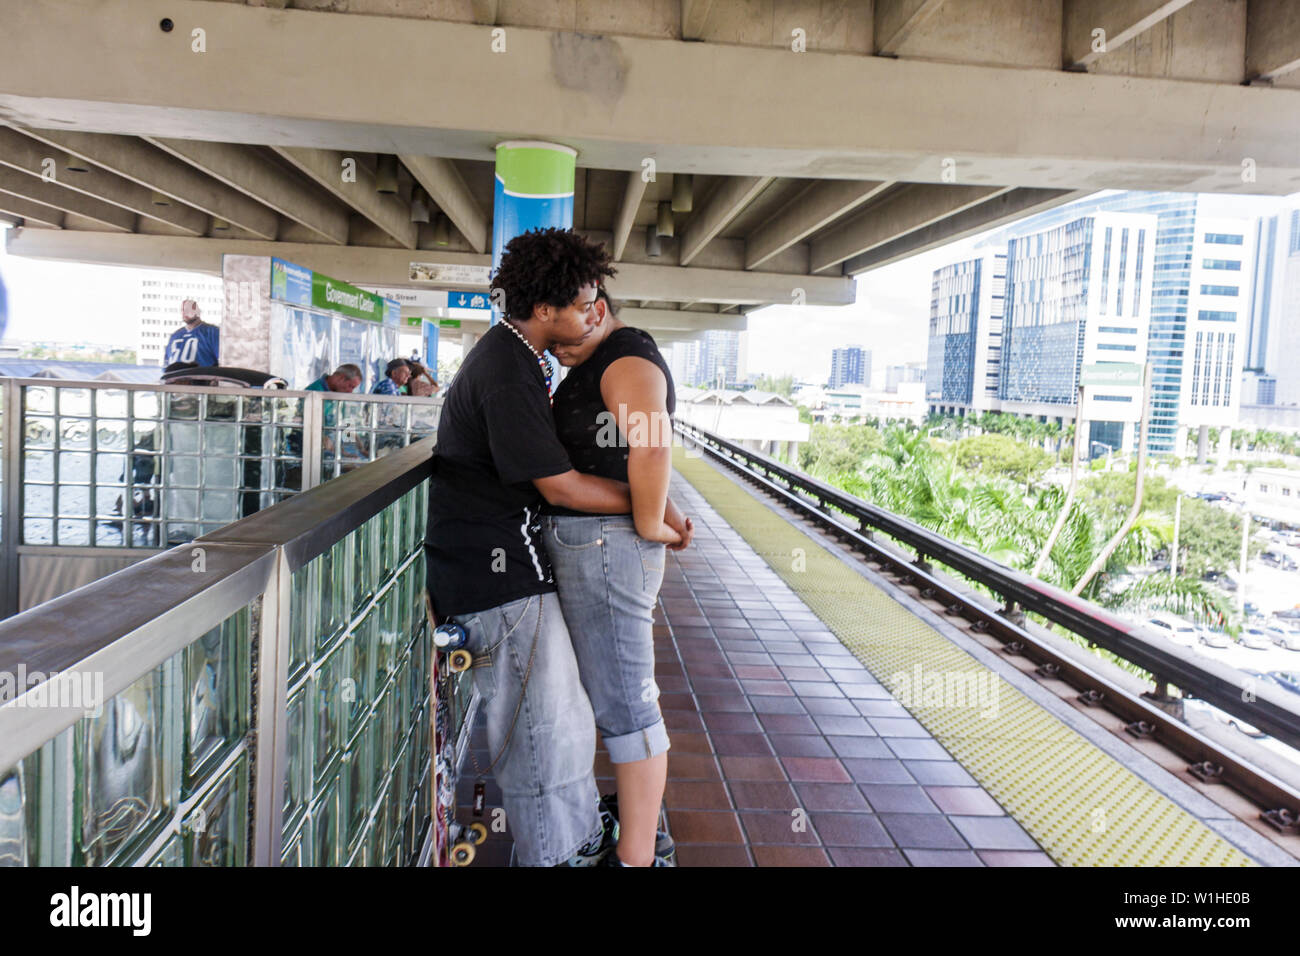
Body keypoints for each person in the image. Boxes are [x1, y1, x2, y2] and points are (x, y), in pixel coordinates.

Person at [425, 227, 688, 867]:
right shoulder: (508, 370)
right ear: (545, 311)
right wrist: (650, 509)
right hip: (497, 577)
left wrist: (652, 508)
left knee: (564, 721)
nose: (593, 312)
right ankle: (564, 855)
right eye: (582, 303)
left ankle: (587, 843)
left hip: (507, 570)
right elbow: (560, 486)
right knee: (546, 733)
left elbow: (640, 442)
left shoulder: (514, 357)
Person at [544, 285, 692, 867]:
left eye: (562, 340)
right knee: (617, 696)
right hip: (599, 543)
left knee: (628, 704)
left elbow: (651, 444)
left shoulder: (625, 355)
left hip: (609, 547)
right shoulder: (605, 358)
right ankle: (638, 835)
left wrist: (652, 521)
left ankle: (637, 858)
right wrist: (655, 510)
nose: (556, 353)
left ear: (597, 312)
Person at [163, 298, 220, 368]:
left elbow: (222, 360)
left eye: (188, 310)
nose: (184, 313)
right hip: (176, 377)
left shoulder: (212, 332)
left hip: (201, 377)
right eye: (182, 310)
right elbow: (166, 364)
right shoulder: (175, 336)